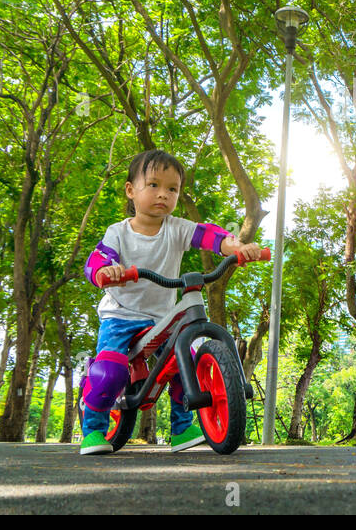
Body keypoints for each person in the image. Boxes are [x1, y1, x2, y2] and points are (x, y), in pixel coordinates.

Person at [79, 149, 262, 455]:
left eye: (172, 189)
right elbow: (97, 259)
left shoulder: (177, 228)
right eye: (153, 185)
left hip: (161, 317)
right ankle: (94, 430)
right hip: (120, 316)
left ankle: (182, 428)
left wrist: (236, 247)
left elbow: (210, 236)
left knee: (185, 361)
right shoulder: (119, 233)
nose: (163, 194)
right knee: (111, 371)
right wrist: (105, 270)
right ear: (130, 190)